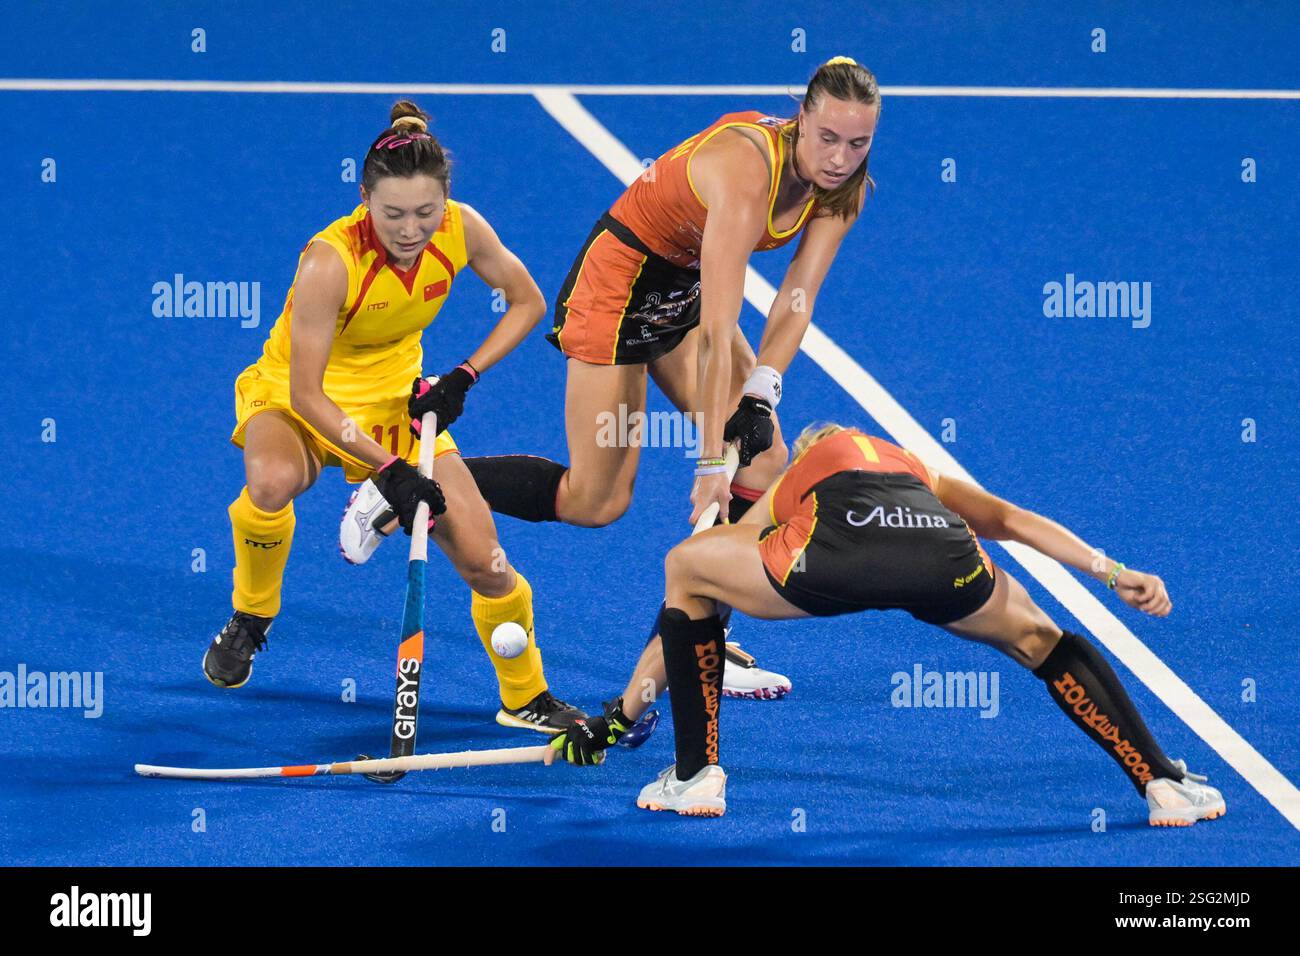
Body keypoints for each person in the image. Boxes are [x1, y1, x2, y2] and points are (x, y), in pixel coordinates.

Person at [345, 57, 882, 700]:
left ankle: (697, 639)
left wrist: (761, 392)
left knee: (762, 468)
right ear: (802, 119)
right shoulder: (748, 170)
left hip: (678, 287)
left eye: (859, 143)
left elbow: (797, 297)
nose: (840, 157)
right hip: (617, 285)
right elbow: (717, 332)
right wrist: (712, 456)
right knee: (597, 501)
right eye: (828, 138)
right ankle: (414, 478)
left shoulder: (842, 188)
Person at [550, 423, 1227, 828]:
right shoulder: (915, 466)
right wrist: (1111, 572)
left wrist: (618, 716)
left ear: (812, 447)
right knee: (1043, 641)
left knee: (688, 569)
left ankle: (696, 774)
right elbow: (1012, 521)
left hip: (831, 565)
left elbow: (711, 595)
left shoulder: (802, 472)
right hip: (945, 561)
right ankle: (1162, 782)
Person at [204, 101, 584, 734]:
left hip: (395, 405)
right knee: (271, 482)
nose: (411, 230)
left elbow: (528, 302)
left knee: (487, 563)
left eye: (426, 213)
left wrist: (463, 374)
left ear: (446, 203)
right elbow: (306, 393)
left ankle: (526, 696)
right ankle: (252, 614)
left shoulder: (463, 230)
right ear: (364, 199)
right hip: (300, 398)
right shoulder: (330, 260)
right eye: (394, 214)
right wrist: (391, 473)